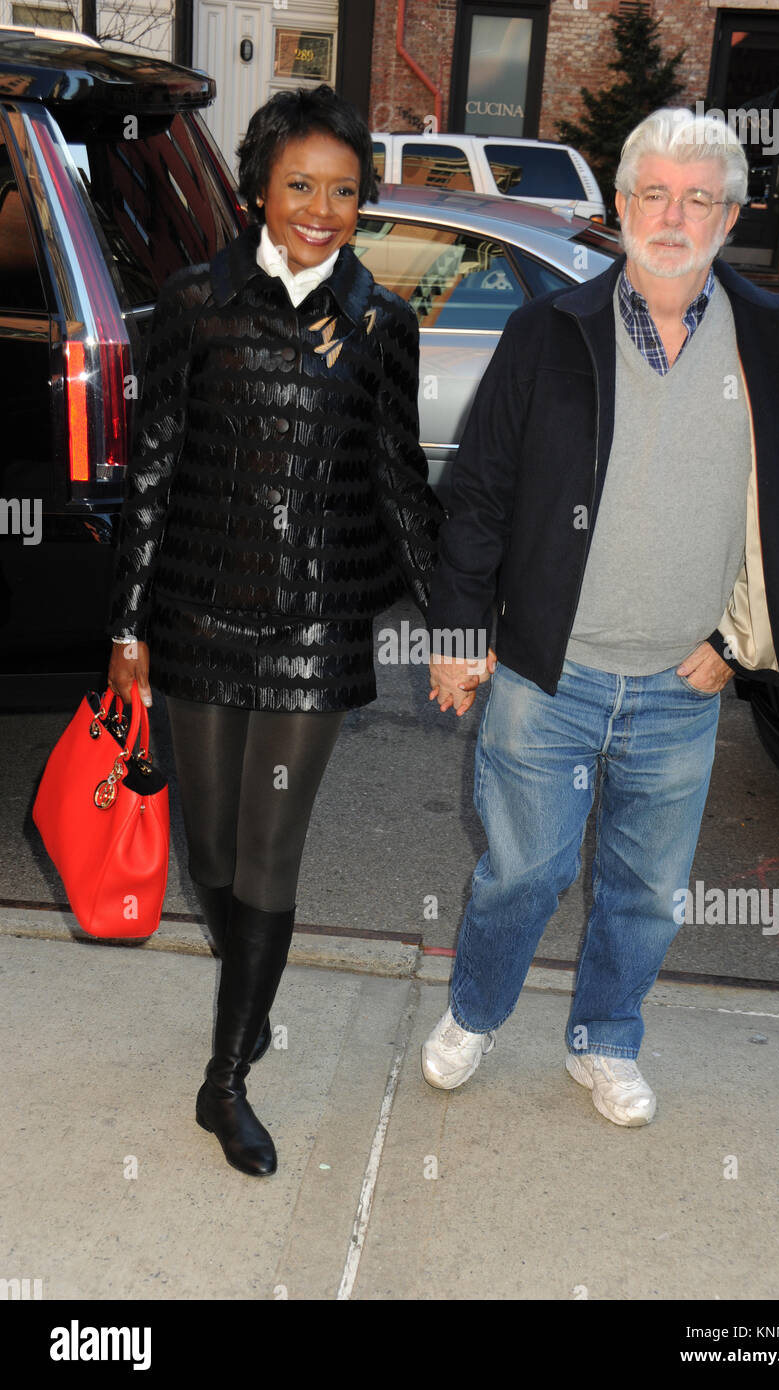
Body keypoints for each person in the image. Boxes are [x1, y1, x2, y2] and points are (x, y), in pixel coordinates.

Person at [422, 108, 779, 1125]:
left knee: (645, 892)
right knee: (524, 871)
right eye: (654, 192)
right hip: (543, 673)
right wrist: (462, 634)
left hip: (682, 685)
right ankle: (475, 1009)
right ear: (621, 204)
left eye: (698, 197)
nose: (673, 215)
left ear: (729, 214)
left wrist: (738, 645)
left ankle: (605, 1039)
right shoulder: (547, 332)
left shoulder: (773, 345)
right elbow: (475, 495)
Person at [106, 85, 441, 1175]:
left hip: (311, 633)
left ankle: (227, 1074)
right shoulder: (192, 303)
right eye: (301, 184)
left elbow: (397, 482)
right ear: (258, 187)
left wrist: (460, 622)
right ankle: (247, 987)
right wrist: (127, 624)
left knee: (269, 853)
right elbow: (151, 474)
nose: (321, 208)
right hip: (198, 616)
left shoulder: (382, 322)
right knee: (212, 853)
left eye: (344, 191)